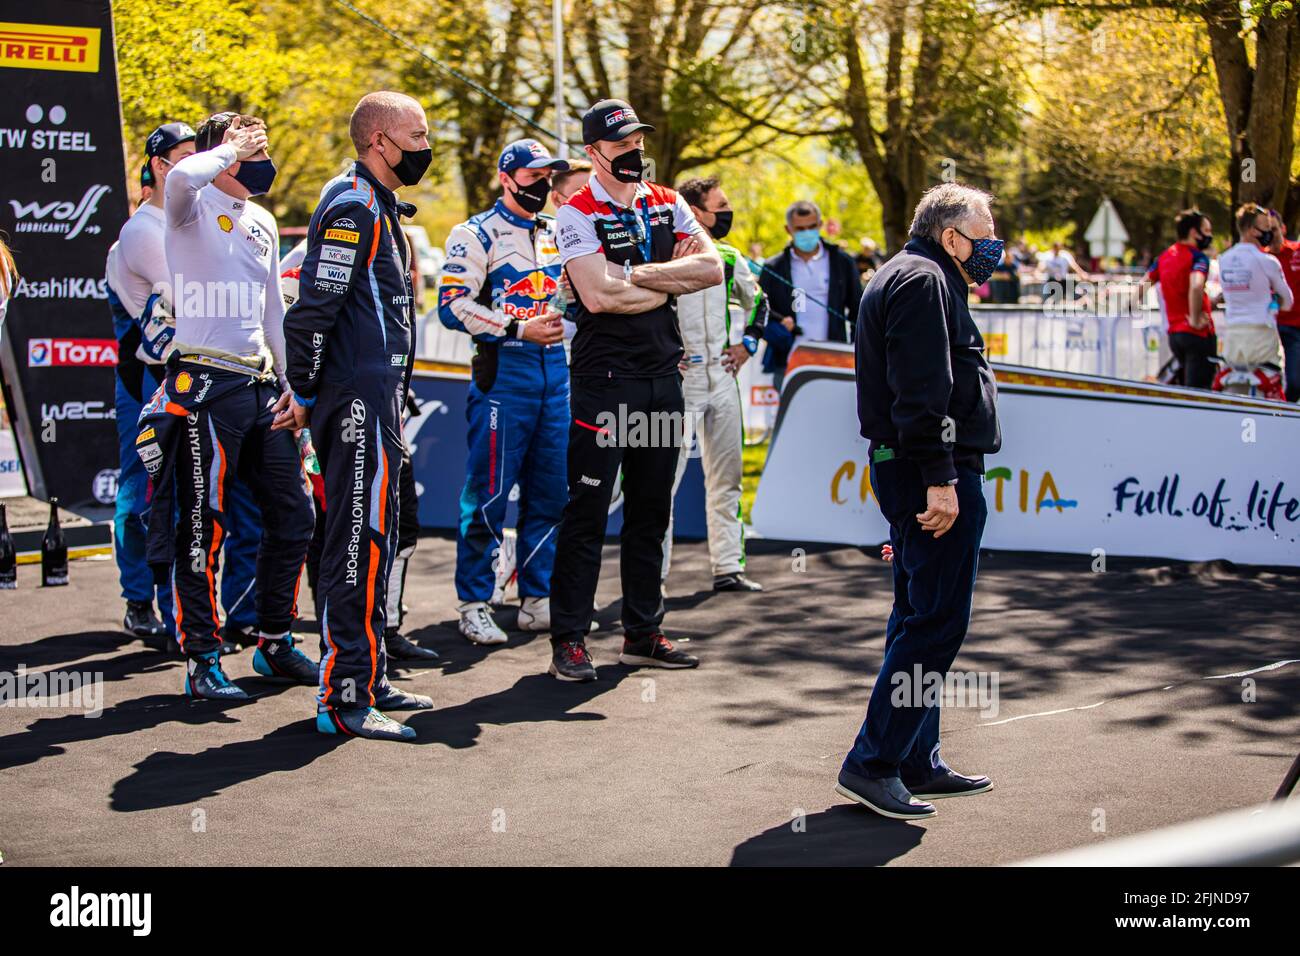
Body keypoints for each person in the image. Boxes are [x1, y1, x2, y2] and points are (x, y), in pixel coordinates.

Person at [838, 182, 1001, 820]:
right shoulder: (923, 281)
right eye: (984, 236)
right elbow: (921, 387)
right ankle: (874, 761)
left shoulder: (912, 276)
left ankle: (913, 757)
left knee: (916, 613)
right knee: (936, 621)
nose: (994, 248)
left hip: (919, 466)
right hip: (928, 469)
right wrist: (940, 477)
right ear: (952, 236)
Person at [548, 98, 722, 681]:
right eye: (621, 144)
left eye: (638, 142)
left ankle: (642, 633)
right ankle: (569, 639)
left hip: (662, 379)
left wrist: (638, 278)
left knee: (653, 512)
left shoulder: (667, 200)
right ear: (594, 152)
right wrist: (670, 281)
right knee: (588, 513)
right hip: (604, 383)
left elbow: (712, 268)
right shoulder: (574, 213)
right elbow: (597, 296)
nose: (634, 152)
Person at [146, 112, 317, 700]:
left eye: (262, 145)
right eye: (250, 145)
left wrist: (294, 385)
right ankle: (201, 657)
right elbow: (178, 181)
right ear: (224, 150)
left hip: (261, 387)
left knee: (295, 515)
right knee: (202, 528)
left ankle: (275, 641)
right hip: (202, 386)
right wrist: (227, 149)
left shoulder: (264, 219)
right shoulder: (187, 207)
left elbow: (273, 309)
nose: (259, 155)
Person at [279, 91, 432, 741]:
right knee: (356, 545)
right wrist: (309, 396)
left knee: (381, 539)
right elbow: (313, 310)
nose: (426, 146)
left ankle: (366, 675)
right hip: (353, 402)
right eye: (416, 134)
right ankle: (343, 696)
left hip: (378, 398)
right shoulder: (352, 204)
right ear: (378, 141)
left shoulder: (379, 203)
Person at [106, 123, 264, 654]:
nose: (206, 164)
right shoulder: (145, 229)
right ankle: (141, 600)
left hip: (213, 379)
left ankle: (232, 612)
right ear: (158, 165)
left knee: (227, 500)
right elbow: (185, 294)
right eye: (187, 157)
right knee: (147, 494)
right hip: (151, 380)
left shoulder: (211, 217)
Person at [437, 138, 569, 645]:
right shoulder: (474, 233)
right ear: (507, 178)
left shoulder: (559, 231)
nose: (543, 186)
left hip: (556, 377)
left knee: (550, 496)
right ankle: (475, 601)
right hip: (502, 377)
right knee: (488, 495)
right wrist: (517, 330)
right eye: (534, 177)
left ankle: (536, 598)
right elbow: (452, 305)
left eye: (548, 178)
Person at [663, 176, 765, 592]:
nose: (726, 212)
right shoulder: (665, 252)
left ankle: (728, 567)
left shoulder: (726, 254)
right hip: (677, 384)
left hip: (722, 378)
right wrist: (665, 353)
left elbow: (758, 299)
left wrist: (747, 344)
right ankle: (654, 576)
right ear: (696, 210)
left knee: (727, 478)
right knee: (659, 482)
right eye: (720, 205)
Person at [758, 200, 862, 391]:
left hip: (834, 357)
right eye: (800, 228)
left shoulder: (842, 262)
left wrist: (856, 351)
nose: (807, 233)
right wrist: (778, 324)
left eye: (812, 227)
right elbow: (759, 311)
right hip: (789, 360)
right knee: (793, 419)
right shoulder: (773, 267)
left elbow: (858, 309)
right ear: (788, 229)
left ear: (820, 225)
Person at [1144, 209, 1216, 389]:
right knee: (1199, 395)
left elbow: (1143, 285)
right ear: (1194, 232)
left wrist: (1128, 308)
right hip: (1197, 334)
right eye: (1206, 231)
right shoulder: (1198, 257)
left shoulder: (1164, 256)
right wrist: (1194, 317)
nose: (1210, 236)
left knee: (1184, 390)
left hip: (1174, 336)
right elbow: (1197, 285)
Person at [1217, 203, 1292, 370]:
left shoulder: (1223, 259)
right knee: (1269, 387)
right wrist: (1275, 301)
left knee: (1234, 388)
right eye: (1266, 228)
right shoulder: (1267, 261)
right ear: (1252, 230)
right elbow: (1288, 300)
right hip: (1261, 336)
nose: (1269, 234)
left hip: (1232, 335)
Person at [1271, 215, 1300, 401]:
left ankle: (1286, 411)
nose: (1271, 234)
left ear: (1283, 228)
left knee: (1296, 382)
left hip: (1294, 326)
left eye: (1274, 229)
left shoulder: (1297, 251)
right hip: (1268, 327)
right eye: (1267, 230)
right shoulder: (1261, 256)